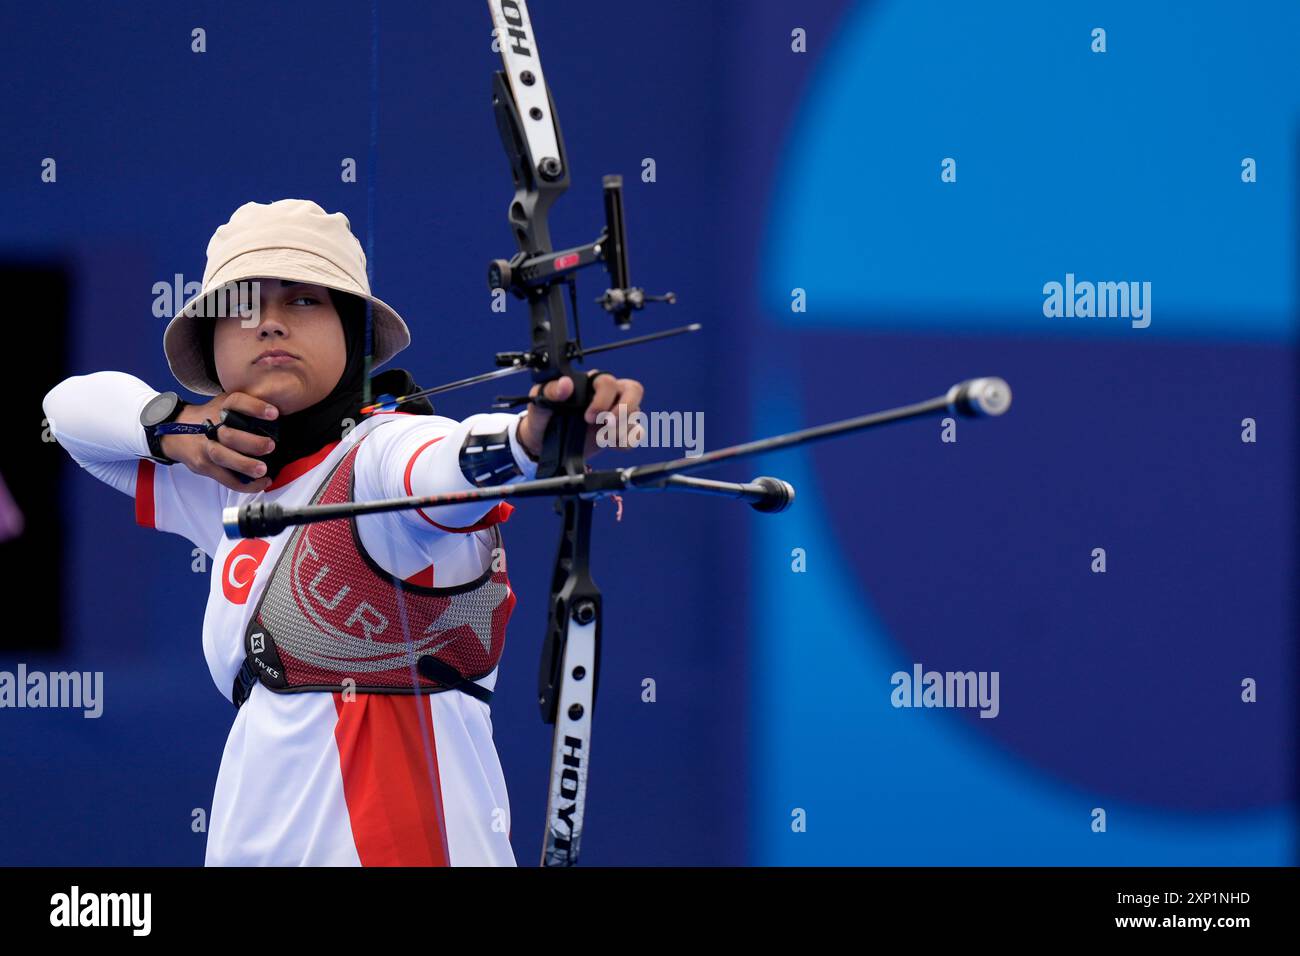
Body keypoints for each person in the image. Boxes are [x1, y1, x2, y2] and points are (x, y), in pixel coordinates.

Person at [42, 198, 644, 865]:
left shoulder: (385, 453)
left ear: (352, 332)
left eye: (303, 302)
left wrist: (535, 437)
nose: (269, 322)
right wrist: (178, 426)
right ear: (212, 347)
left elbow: (449, 464)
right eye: (242, 306)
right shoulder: (227, 480)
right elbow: (67, 411)